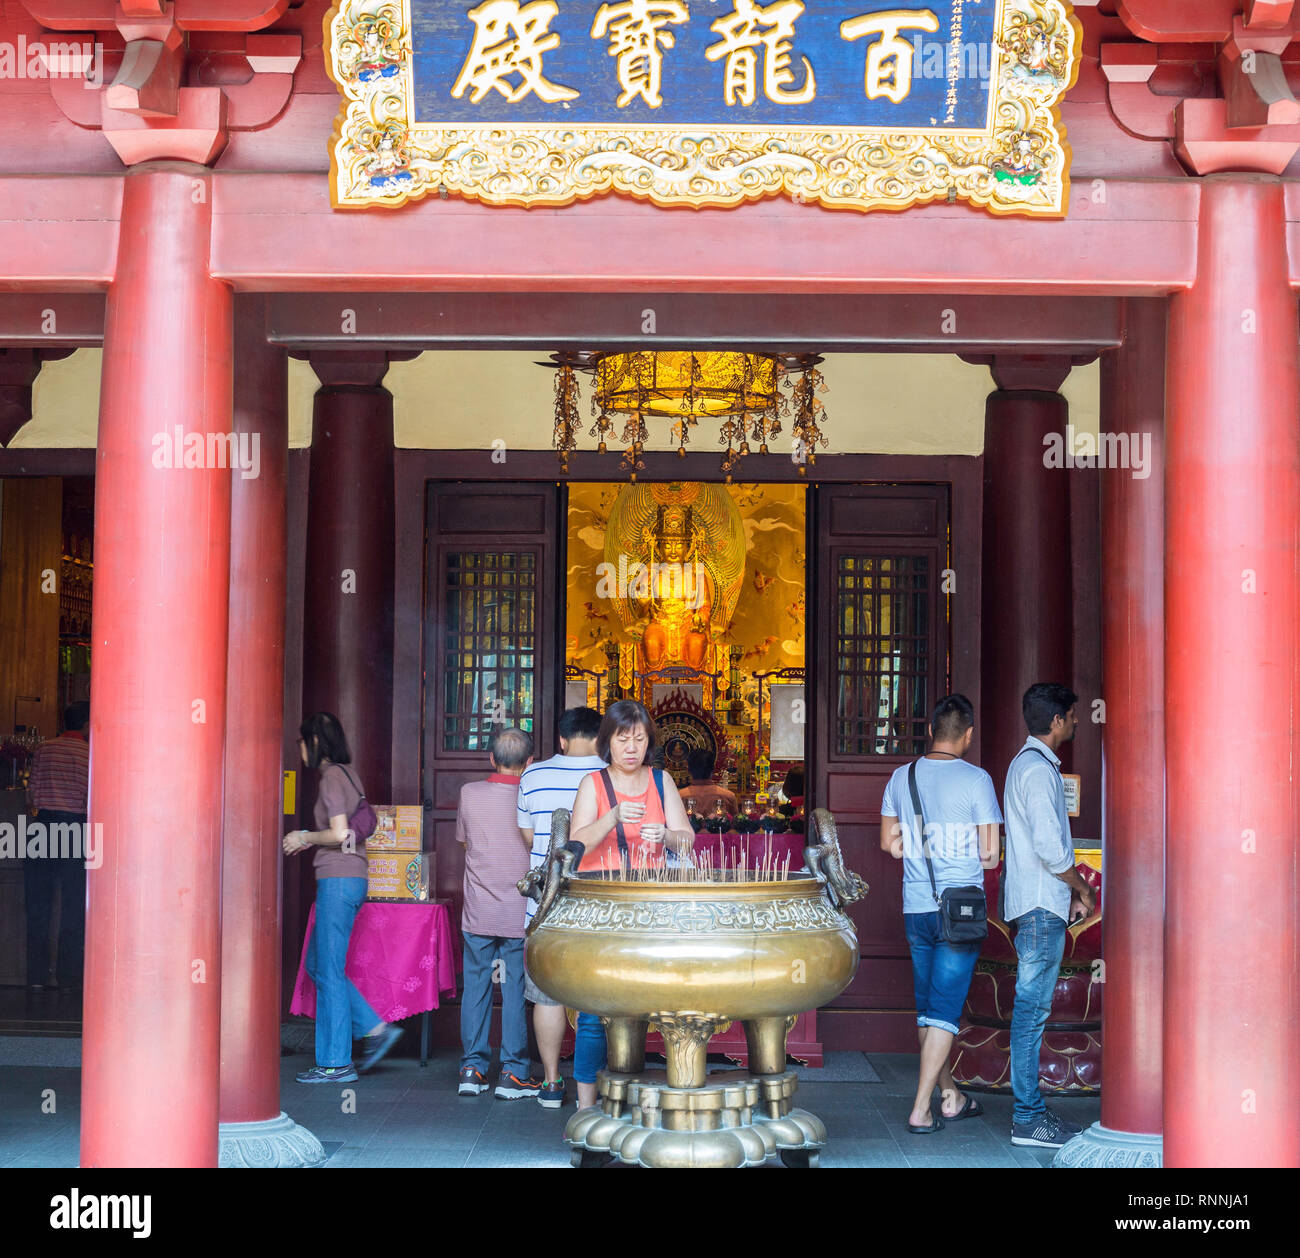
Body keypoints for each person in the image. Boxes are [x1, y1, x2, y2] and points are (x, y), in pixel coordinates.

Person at [879, 694, 1001, 1133]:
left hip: (917, 907)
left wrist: (922, 845)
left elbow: (887, 843)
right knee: (945, 1013)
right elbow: (990, 854)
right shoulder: (978, 780)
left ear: (931, 731)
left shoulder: (901, 776)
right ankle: (921, 1108)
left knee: (929, 1012)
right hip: (960, 910)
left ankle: (949, 1096)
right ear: (967, 735)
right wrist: (960, 850)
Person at [566, 700, 695, 1108]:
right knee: (593, 1013)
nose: (631, 747)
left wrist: (666, 836)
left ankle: (639, 1100)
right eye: (623, 738)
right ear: (608, 741)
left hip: (650, 909)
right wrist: (614, 816)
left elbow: (687, 837)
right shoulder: (593, 784)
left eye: (639, 738)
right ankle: (586, 1109)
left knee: (648, 1007)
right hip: (601, 911)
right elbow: (576, 844)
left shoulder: (662, 781)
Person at [283, 712, 403, 1084]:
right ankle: (374, 1028)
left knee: (329, 971)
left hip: (338, 878)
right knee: (320, 965)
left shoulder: (333, 776)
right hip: (348, 878)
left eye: (303, 741)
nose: (300, 748)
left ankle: (335, 1063)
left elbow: (337, 833)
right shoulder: (350, 773)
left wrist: (303, 836)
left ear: (315, 742)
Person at [1003, 683, 1097, 1148]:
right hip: (1042, 906)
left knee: (1030, 1009)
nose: (1078, 722)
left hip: (1039, 902)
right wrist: (1080, 886)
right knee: (1031, 1011)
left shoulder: (1029, 766)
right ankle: (1027, 1117)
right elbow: (1050, 847)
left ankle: (1031, 1112)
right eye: (1073, 716)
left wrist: (1071, 893)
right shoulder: (1038, 772)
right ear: (1057, 720)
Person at [516, 706, 606, 1109]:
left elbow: (527, 835)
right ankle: (598, 1086)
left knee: (546, 994)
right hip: (595, 900)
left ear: (562, 739)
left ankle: (552, 1083)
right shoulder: (612, 776)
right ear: (603, 738)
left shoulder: (532, 775)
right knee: (599, 998)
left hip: (546, 902)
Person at [455, 726, 544, 1101]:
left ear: (491, 759)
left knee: (475, 987)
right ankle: (513, 1073)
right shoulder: (532, 796)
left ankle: (472, 1069)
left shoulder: (469, 793)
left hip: (479, 910)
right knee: (512, 990)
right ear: (530, 762)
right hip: (517, 913)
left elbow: (464, 842)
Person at [24, 702, 90, 993]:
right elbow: (90, 797)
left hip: (42, 826)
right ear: (87, 724)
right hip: (74, 826)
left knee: (38, 903)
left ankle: (36, 977)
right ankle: (69, 978)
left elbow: (33, 794)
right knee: (74, 906)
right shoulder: (90, 754)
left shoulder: (44, 749)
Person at [683, 747, 737, 816]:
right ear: (713, 769)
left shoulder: (680, 797)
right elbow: (735, 824)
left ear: (688, 770)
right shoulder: (728, 796)